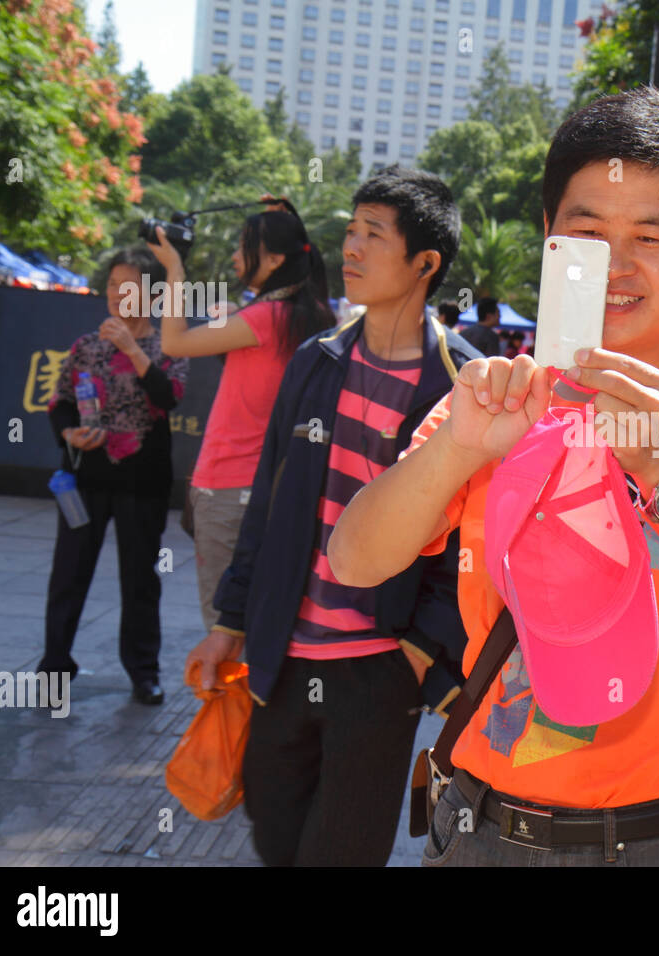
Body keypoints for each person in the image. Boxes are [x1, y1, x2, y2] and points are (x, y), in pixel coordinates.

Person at [328, 86, 659, 868]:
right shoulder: (495, 402)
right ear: (549, 236)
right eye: (587, 232)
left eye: (652, 238)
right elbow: (354, 559)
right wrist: (460, 448)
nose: (617, 266)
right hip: (482, 829)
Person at [185, 166, 480, 866]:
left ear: (425, 263)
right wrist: (231, 623)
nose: (350, 248)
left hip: (377, 672)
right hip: (281, 657)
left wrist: (415, 654)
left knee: (342, 854)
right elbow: (271, 499)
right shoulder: (316, 363)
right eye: (350, 231)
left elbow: (472, 541)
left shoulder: (464, 382)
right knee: (276, 835)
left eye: (373, 235)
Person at [152, 203, 334, 634]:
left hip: (229, 486)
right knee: (256, 623)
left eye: (245, 246)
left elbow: (174, 342)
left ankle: (227, 701)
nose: (236, 256)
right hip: (268, 488)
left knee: (223, 627)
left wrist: (174, 267)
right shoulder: (307, 318)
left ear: (274, 260)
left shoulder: (264, 318)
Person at [41, 246, 189, 704]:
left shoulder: (170, 345)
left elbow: (168, 397)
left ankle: (143, 671)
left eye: (127, 287)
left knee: (139, 578)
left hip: (141, 481)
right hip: (85, 478)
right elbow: (60, 400)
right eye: (110, 285)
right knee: (69, 573)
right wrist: (69, 431)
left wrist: (130, 347)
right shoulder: (87, 346)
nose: (115, 295)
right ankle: (54, 669)